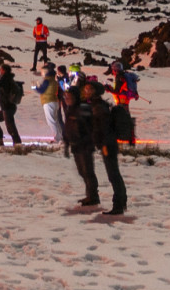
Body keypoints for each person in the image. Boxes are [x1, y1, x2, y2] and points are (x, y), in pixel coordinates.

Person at [65, 78, 127, 213]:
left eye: (90, 89)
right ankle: (118, 204)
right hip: (106, 144)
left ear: (96, 92)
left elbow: (102, 128)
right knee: (113, 174)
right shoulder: (95, 104)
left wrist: (99, 142)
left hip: (107, 144)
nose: (86, 91)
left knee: (113, 174)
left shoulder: (98, 106)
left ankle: (119, 205)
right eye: (85, 89)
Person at [0, 59, 25, 146]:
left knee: (10, 126)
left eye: (1, 69)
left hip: (8, 107)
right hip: (8, 107)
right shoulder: (8, 79)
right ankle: (0, 140)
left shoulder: (5, 79)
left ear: (4, 70)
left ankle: (17, 143)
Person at [37, 63, 67, 143]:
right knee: (55, 120)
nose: (42, 73)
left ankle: (58, 138)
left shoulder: (47, 80)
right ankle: (60, 137)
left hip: (48, 101)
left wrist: (35, 87)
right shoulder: (53, 79)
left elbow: (41, 90)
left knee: (51, 121)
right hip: (54, 101)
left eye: (43, 71)